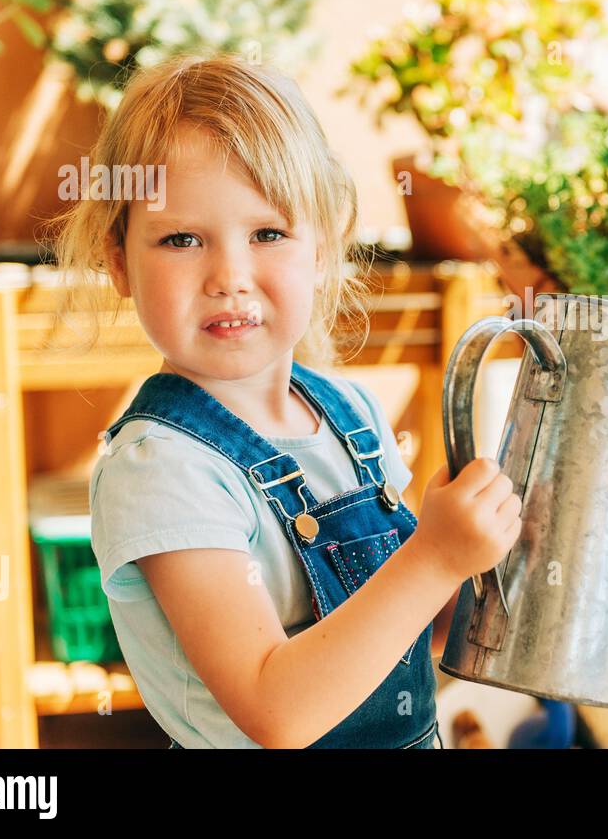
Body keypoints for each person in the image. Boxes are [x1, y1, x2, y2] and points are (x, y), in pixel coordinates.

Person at [45, 53, 523, 748]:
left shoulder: (353, 417)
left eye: (267, 233)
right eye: (182, 239)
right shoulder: (160, 469)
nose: (229, 277)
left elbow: (405, 639)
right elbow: (278, 710)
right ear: (119, 259)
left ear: (323, 247)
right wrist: (436, 556)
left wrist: (495, 551)